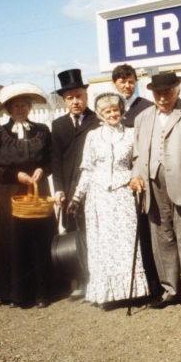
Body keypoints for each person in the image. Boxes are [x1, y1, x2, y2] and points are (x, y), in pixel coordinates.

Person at [130, 71, 181, 316]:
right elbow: (137, 154)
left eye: (167, 92)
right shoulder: (143, 118)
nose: (163, 98)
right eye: (158, 93)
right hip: (152, 184)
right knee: (162, 239)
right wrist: (136, 174)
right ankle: (170, 290)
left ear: (177, 90)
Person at [67, 92, 148, 307]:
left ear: (121, 112)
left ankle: (131, 291)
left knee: (126, 242)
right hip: (99, 196)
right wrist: (77, 197)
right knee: (102, 245)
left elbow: (139, 162)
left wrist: (135, 178)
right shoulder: (93, 136)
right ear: (101, 115)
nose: (112, 114)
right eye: (107, 111)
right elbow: (87, 169)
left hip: (123, 194)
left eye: (115, 110)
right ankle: (107, 293)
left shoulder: (131, 134)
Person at [0, 83, 57, 309]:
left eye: (25, 105)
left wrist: (41, 170)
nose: (21, 110)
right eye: (16, 106)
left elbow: (51, 159)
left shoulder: (42, 131)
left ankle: (43, 292)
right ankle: (17, 294)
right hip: (9, 195)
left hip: (37, 190)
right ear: (8, 109)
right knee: (14, 242)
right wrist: (17, 175)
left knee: (39, 240)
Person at [112, 63, 161, 298]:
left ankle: (153, 284)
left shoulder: (146, 108)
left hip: (140, 176)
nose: (126, 85)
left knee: (146, 230)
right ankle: (131, 286)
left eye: (130, 80)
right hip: (119, 181)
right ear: (114, 84)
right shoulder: (111, 109)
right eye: (121, 81)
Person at [51, 69, 100, 300]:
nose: (75, 101)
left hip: (93, 189)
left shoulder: (96, 121)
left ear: (86, 96)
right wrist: (59, 189)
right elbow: (55, 161)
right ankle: (78, 281)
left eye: (79, 96)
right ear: (64, 100)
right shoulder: (58, 125)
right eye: (70, 98)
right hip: (70, 192)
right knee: (73, 236)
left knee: (94, 234)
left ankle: (97, 280)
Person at [113, 64, 154, 128]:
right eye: (123, 82)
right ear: (114, 84)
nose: (127, 86)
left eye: (131, 82)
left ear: (136, 83)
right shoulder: (110, 108)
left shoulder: (148, 107)